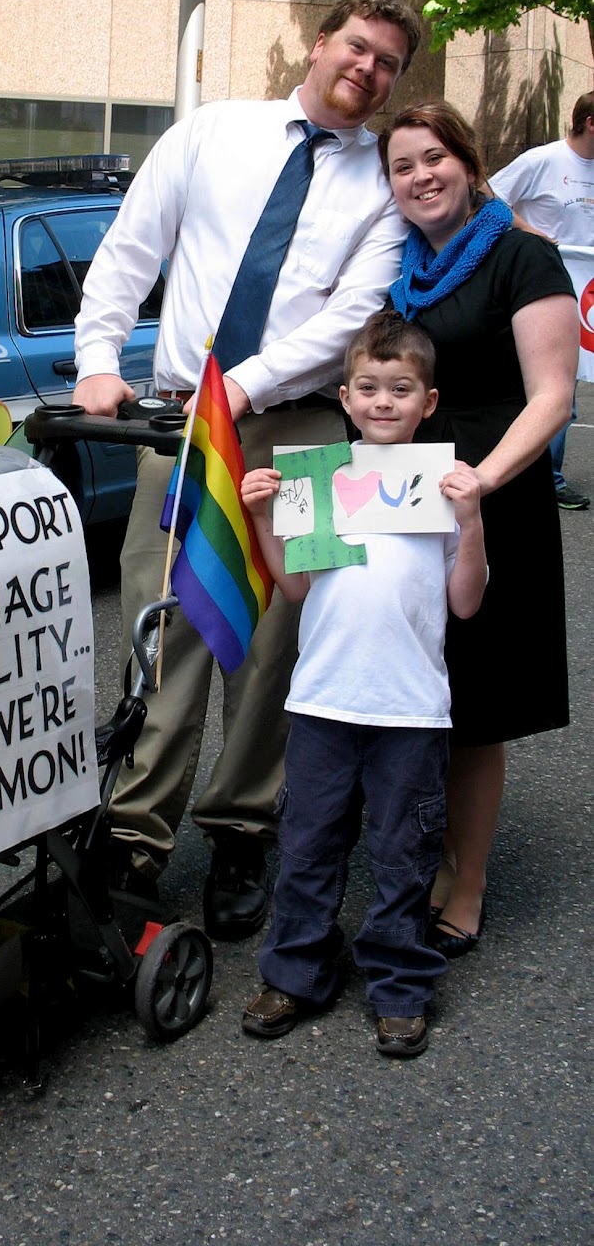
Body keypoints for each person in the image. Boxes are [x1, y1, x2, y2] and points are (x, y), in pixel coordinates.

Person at [73, 0, 422, 940]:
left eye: (388, 63)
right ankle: (137, 833)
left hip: (305, 431)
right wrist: (99, 362)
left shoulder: (380, 187)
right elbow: (127, 252)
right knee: (168, 622)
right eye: (358, 47)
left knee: (277, 642)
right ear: (318, 44)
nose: (368, 69)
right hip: (180, 424)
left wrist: (244, 388)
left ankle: (241, 828)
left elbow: (350, 319)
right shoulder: (211, 134)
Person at [239, 311, 487, 1057]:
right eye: (369, 388)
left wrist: (470, 519)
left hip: (410, 708)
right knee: (308, 844)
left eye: (400, 389)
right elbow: (291, 588)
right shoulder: (318, 482)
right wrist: (260, 521)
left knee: (402, 852)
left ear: (427, 403)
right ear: (344, 399)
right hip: (322, 701)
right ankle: (295, 975)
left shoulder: (443, 488)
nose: (383, 402)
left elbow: (466, 600)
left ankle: (399, 985)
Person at [381, 101, 578, 957]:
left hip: (490, 499)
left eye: (434, 158)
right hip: (406, 501)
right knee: (418, 687)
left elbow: (552, 396)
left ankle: (467, 880)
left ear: (467, 160)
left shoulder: (522, 255)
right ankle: (424, 851)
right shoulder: (399, 272)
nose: (420, 177)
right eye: (401, 166)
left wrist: (484, 481)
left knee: (478, 702)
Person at [487, 92, 594, 510]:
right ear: (590, 123)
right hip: (547, 288)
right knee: (558, 390)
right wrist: (530, 232)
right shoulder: (543, 161)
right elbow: (489, 194)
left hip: (588, 289)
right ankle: (546, 477)